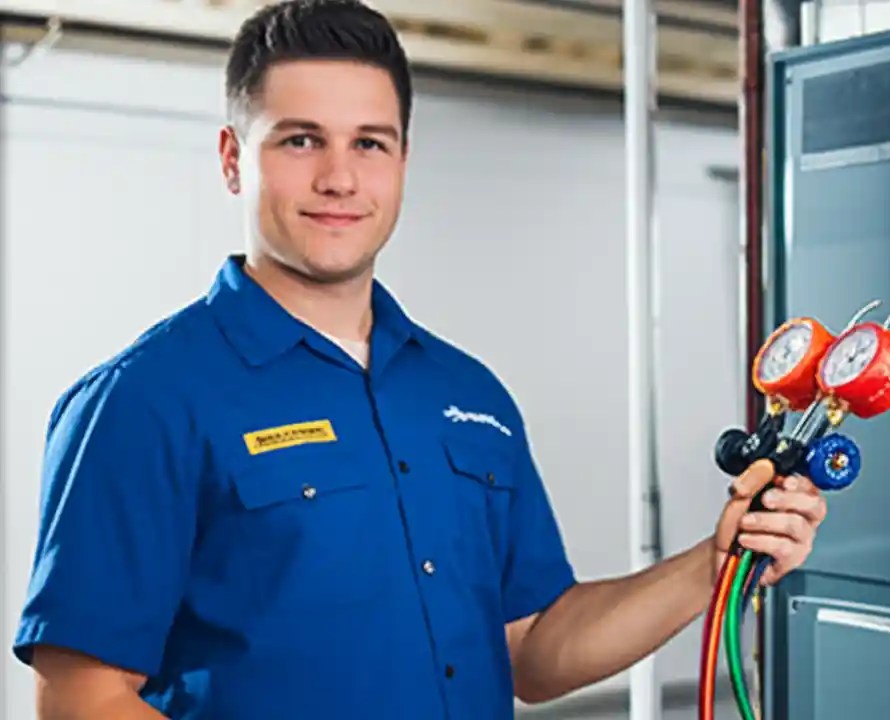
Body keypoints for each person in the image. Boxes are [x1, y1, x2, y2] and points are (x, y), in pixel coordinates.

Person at [12, 1, 829, 718]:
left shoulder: (467, 394)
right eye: (301, 140)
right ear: (233, 158)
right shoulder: (144, 400)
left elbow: (534, 647)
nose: (339, 177)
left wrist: (712, 565)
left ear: (403, 160)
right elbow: (82, 698)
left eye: (369, 143)